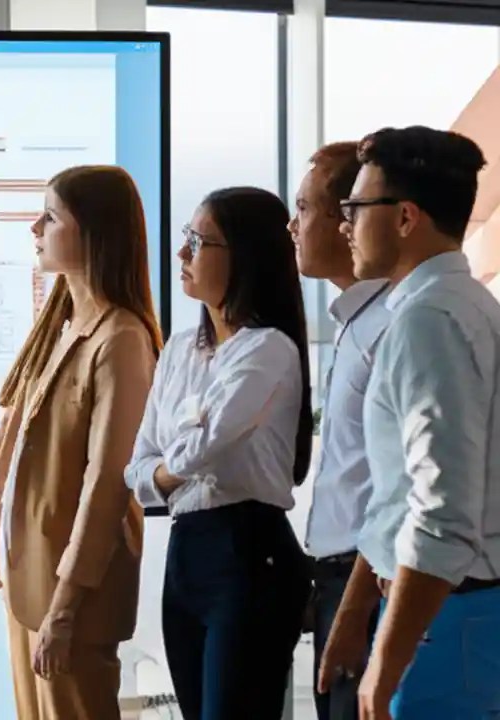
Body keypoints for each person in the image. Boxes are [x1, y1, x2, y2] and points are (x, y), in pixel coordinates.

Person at [0, 165, 162, 719]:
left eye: (51, 216)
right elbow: (13, 448)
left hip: (71, 599)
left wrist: (65, 606)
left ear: (92, 232)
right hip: (31, 590)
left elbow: (106, 487)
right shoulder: (63, 330)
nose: (34, 226)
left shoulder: (122, 341)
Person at [328, 125, 500, 720]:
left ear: (405, 217)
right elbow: (399, 497)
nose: (343, 223)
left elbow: (443, 511)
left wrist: (388, 660)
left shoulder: (429, 320)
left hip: (445, 621)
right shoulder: (459, 305)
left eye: (355, 206)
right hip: (452, 613)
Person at [125, 186, 314, 719]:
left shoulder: (268, 348)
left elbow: (205, 445)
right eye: (186, 239)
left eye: (198, 242)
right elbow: (139, 465)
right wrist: (164, 473)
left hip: (249, 551)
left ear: (245, 257)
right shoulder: (179, 351)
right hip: (187, 552)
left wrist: (164, 469)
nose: (182, 255)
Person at [290, 141, 391, 720]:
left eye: (303, 209)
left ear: (346, 217)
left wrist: (353, 609)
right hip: (334, 581)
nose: (292, 226)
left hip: (367, 584)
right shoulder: (353, 324)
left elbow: (393, 489)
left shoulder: (389, 326)